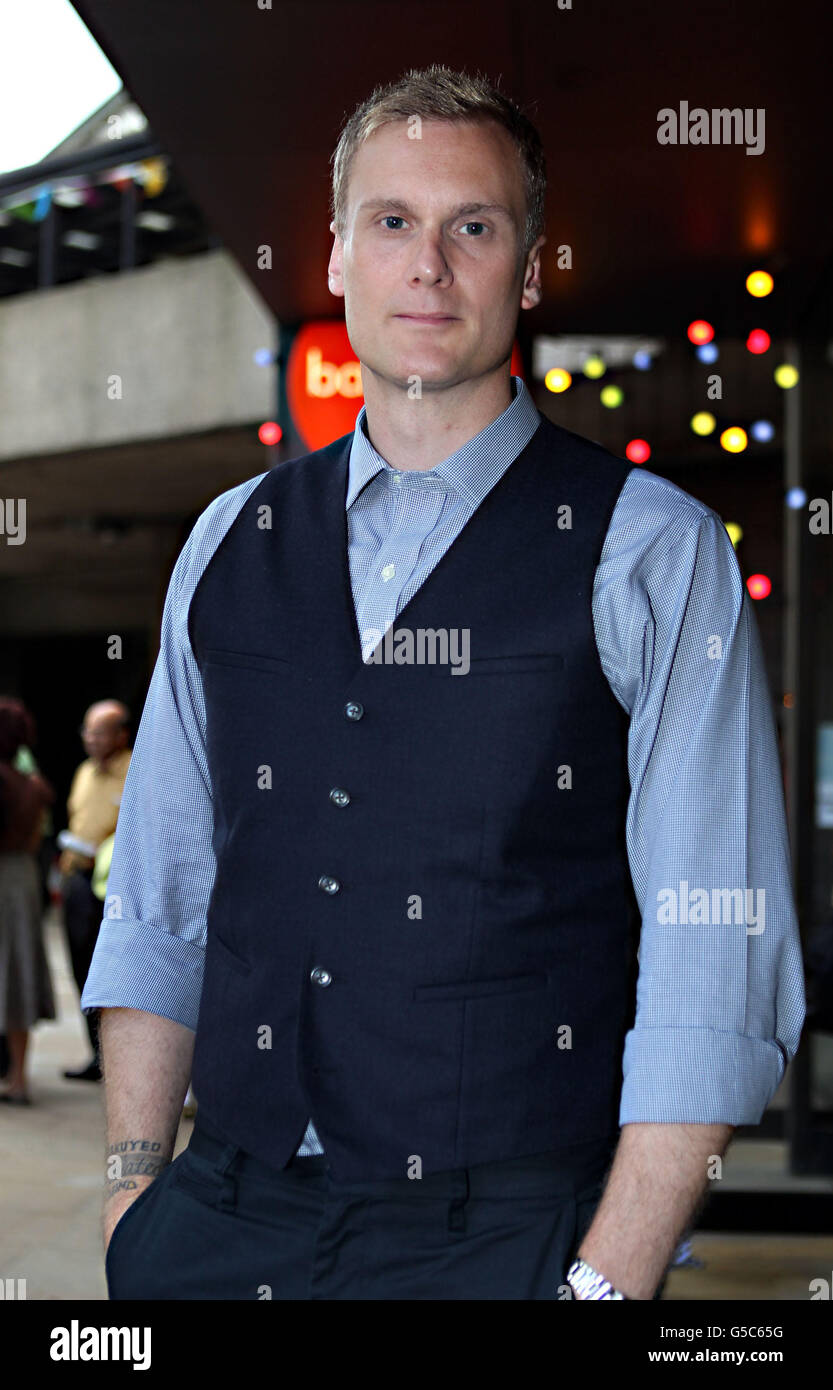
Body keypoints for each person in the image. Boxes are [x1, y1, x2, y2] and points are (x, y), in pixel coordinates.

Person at [81, 64, 806, 1301]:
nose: (428, 265)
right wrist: (132, 1197)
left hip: (504, 1232)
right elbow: (161, 897)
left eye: (471, 226)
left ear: (525, 271)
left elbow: (711, 948)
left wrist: (603, 1282)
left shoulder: (651, 549)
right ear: (336, 259)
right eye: (392, 222)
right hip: (221, 1220)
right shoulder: (223, 543)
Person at [60, 701, 131, 1082]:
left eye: (100, 732)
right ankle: (96, 1056)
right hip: (78, 882)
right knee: (81, 968)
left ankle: (119, 1058)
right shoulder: (84, 772)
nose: (91, 739)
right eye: (87, 731)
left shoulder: (138, 768)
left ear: (121, 735)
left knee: (114, 970)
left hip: (114, 886)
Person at [0, 698, 56, 1103]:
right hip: (22, 878)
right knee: (17, 973)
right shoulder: (34, 786)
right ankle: (19, 1077)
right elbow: (37, 838)